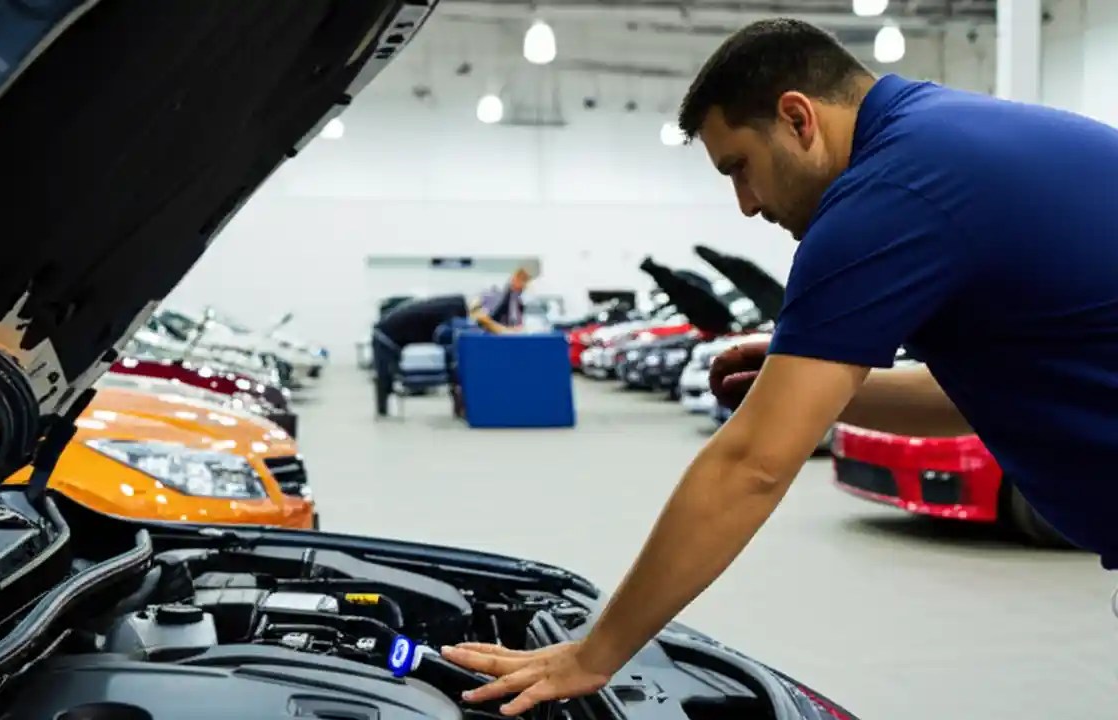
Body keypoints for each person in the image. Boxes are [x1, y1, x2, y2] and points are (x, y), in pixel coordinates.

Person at [440, 17, 1118, 716]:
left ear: (798, 118)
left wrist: (594, 654)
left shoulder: (887, 194)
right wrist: (810, 382)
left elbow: (752, 467)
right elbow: (968, 395)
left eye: (739, 167)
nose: (746, 204)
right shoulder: (940, 143)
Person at [372, 294, 511, 417]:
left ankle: (383, 414)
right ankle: (382, 413)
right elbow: (452, 339)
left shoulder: (452, 304)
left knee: (385, 380)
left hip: (386, 333)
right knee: (384, 380)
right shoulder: (453, 311)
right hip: (385, 337)